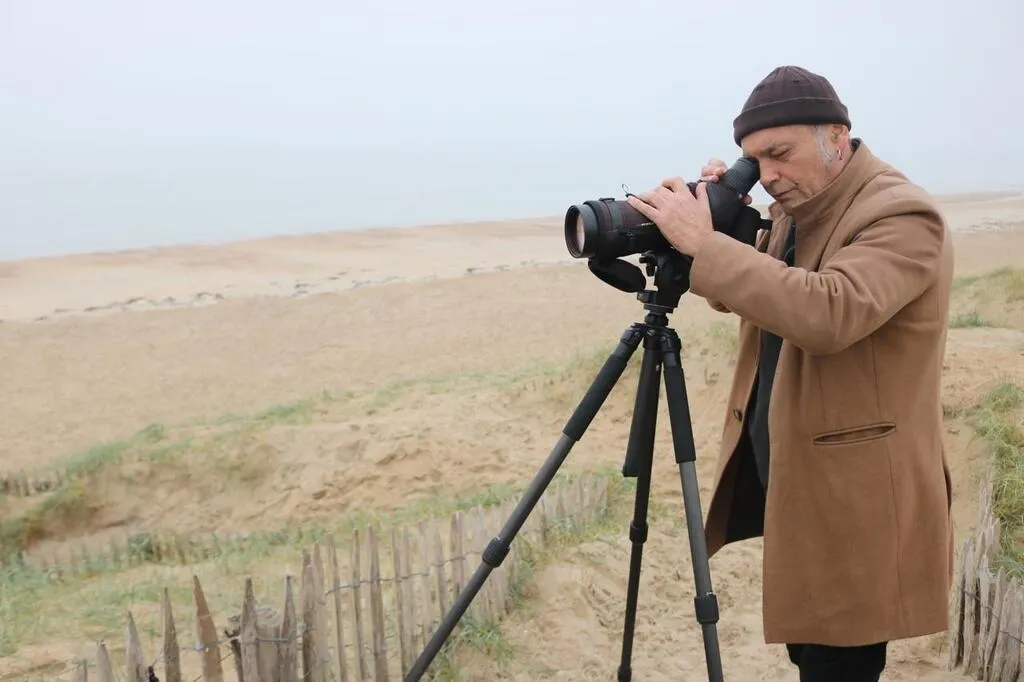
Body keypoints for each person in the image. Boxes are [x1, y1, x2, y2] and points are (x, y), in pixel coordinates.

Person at [625, 65, 955, 681]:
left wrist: (707, 247)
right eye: (754, 160)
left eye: (780, 153)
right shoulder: (799, 208)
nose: (769, 174)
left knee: (840, 658)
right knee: (812, 647)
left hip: (858, 493)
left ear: (837, 136)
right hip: (800, 474)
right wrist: (720, 228)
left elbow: (828, 312)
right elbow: (758, 298)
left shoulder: (900, 213)